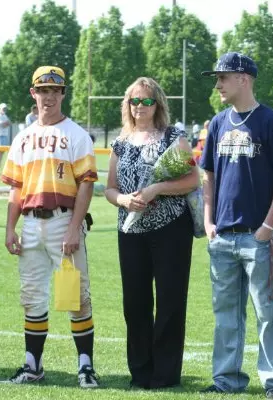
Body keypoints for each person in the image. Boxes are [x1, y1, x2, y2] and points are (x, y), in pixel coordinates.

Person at [200, 52, 273, 398]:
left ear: (244, 78)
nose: (218, 84)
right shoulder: (217, 123)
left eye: (223, 77)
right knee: (226, 314)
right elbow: (207, 175)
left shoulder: (270, 122)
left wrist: (269, 226)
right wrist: (209, 221)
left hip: (260, 237)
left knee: (269, 313)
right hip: (223, 236)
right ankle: (226, 380)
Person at [0, 66, 99, 388]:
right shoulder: (23, 137)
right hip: (29, 225)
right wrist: (9, 228)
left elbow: (85, 185)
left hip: (61, 221)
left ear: (63, 94)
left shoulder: (76, 134)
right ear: (33, 94)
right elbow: (15, 189)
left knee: (74, 296)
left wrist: (73, 227)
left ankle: (85, 366)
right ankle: (32, 365)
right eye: (43, 90)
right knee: (32, 296)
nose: (49, 96)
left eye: (55, 91)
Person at [104, 77, 199, 389]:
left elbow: (192, 180)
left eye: (146, 101)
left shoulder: (175, 138)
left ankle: (165, 374)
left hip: (171, 228)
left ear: (158, 104)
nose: (139, 107)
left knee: (170, 301)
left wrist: (157, 187)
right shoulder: (120, 142)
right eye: (134, 101)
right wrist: (123, 200)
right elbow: (109, 189)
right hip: (130, 229)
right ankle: (140, 372)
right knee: (135, 303)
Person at [0, 103, 11, 168]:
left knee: (3, 151)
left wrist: (5, 124)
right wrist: (6, 123)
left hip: (4, 135)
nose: (4, 109)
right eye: (3, 108)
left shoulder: (5, 115)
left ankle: (0, 164)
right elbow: (2, 125)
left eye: (5, 108)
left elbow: (9, 123)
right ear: (0, 109)